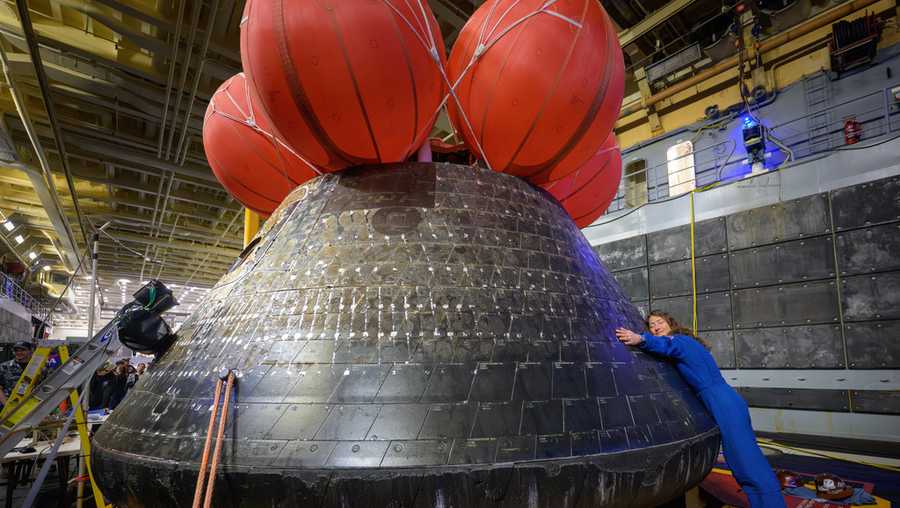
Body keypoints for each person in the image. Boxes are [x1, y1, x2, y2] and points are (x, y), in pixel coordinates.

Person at [616, 311, 785, 508]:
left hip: (721, 400)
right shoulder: (687, 341)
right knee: (741, 460)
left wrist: (640, 339)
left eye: (659, 322)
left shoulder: (680, 341)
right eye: (652, 325)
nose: (655, 327)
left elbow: (669, 346)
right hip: (721, 399)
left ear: (671, 323)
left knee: (746, 461)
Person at [0, 341, 35, 407]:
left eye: (23, 350)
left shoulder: (39, 367)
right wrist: (7, 405)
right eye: (16, 350)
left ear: (31, 351)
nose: (19, 353)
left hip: (31, 406)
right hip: (9, 406)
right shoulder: (4, 367)